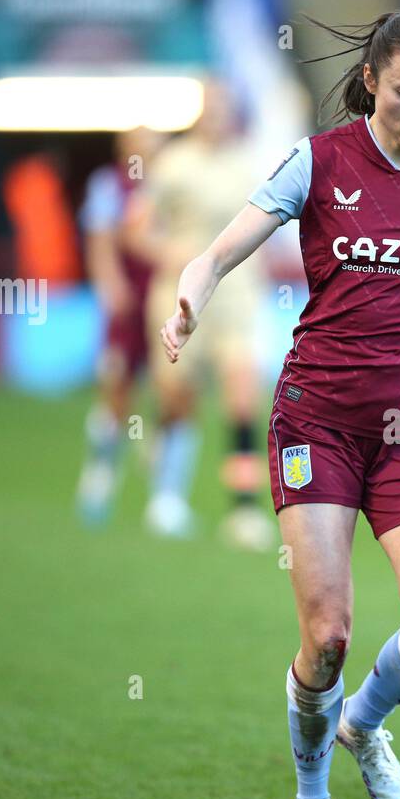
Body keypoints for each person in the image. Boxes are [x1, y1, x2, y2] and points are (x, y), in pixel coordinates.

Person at [158, 11, 400, 799]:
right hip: (316, 418)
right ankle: (312, 798)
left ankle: (363, 721)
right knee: (327, 636)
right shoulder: (319, 163)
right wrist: (192, 298)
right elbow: (215, 255)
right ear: (370, 82)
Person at [129, 80, 276, 549]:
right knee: (178, 399)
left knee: (242, 399)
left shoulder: (246, 162)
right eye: (210, 108)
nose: (217, 116)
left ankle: (245, 509)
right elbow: (134, 229)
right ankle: (167, 498)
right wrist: (170, 252)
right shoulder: (173, 164)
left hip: (237, 297)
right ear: (198, 113)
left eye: (224, 107)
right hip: (183, 296)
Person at [76, 126, 162, 525]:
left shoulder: (168, 182)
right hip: (128, 300)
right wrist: (110, 283)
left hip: (162, 298)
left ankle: (162, 490)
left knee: (167, 388)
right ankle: (102, 470)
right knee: (116, 385)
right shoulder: (108, 185)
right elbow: (100, 240)